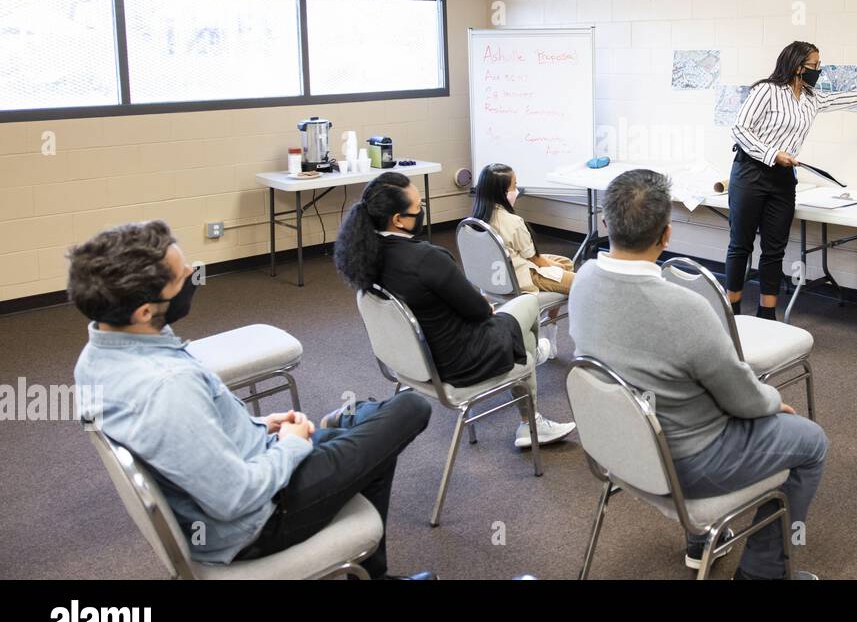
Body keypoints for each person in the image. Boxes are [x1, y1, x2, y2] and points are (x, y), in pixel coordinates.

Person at [70, 220, 433, 579]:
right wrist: (289, 447)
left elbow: (187, 442)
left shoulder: (97, 354)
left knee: (372, 436)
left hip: (247, 467)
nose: (195, 274)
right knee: (409, 408)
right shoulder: (169, 387)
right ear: (144, 311)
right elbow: (235, 499)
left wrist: (258, 425)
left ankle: (372, 564)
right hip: (260, 520)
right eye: (183, 276)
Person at [568, 169, 827, 579]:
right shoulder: (683, 309)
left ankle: (703, 537)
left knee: (681, 392)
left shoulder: (582, 281)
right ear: (666, 236)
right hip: (686, 463)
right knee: (811, 442)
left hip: (616, 448)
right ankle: (764, 572)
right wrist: (774, 403)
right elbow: (741, 397)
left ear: (605, 223)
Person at [335, 171, 575, 448]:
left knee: (521, 330)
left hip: (411, 361)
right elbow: (478, 312)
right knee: (528, 306)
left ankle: (531, 357)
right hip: (459, 362)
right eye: (418, 208)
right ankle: (530, 417)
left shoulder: (363, 257)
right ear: (398, 220)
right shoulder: (427, 258)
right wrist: (486, 309)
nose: (422, 211)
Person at [730, 40, 857, 318]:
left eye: (818, 65)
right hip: (750, 173)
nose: (818, 70)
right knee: (741, 244)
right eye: (814, 65)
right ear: (797, 66)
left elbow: (851, 97)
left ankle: (767, 314)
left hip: (783, 178)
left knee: (774, 249)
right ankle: (732, 310)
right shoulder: (767, 91)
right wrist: (773, 153)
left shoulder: (812, 98)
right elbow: (739, 129)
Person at [471, 162, 574, 297]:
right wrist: (554, 267)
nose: (516, 191)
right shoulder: (513, 222)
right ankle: (546, 310)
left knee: (566, 263)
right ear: (503, 192)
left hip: (494, 272)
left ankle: (550, 314)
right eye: (514, 186)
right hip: (520, 276)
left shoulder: (476, 220)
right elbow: (536, 260)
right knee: (580, 282)